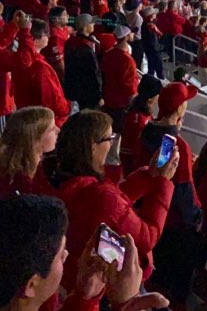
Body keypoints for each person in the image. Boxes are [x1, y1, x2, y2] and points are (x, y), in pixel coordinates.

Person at [47, 110, 173, 290]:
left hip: (70, 277)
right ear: (92, 147)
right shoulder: (100, 196)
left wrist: (149, 177)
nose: (113, 143)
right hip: (102, 286)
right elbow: (146, 238)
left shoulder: (61, 177)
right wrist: (162, 184)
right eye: (109, 138)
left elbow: (113, 208)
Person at [0, 106, 57, 197]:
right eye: (52, 129)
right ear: (35, 137)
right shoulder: (19, 182)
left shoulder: (40, 167)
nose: (58, 130)